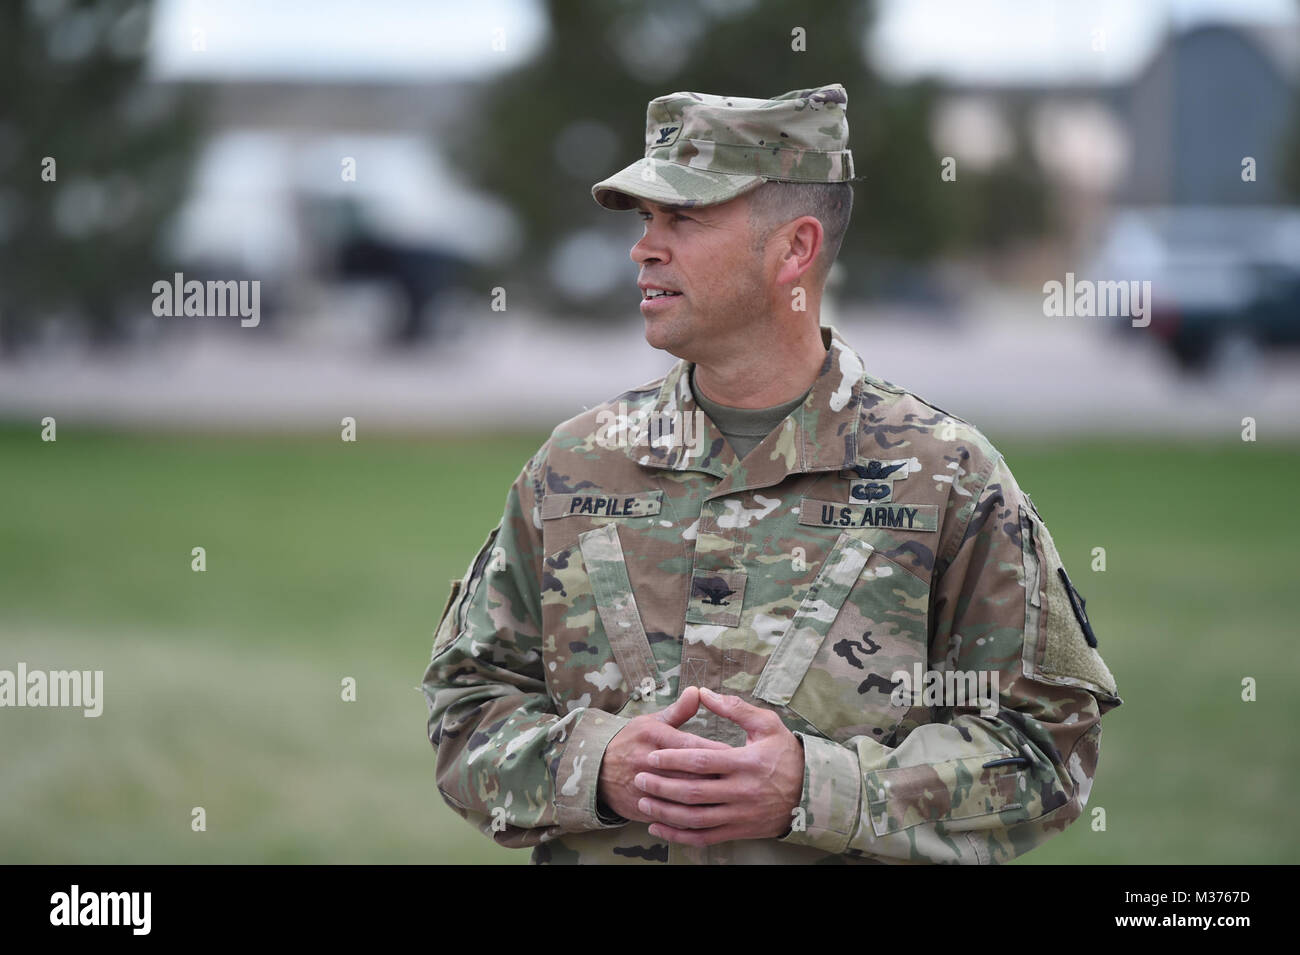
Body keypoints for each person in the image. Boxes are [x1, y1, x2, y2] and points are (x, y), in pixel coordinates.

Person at [420, 83, 1122, 865]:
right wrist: (599, 767)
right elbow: (466, 707)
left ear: (795, 248)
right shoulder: (575, 464)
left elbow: (1047, 748)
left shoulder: (946, 478)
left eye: (683, 218)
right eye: (647, 219)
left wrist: (814, 789)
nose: (645, 247)